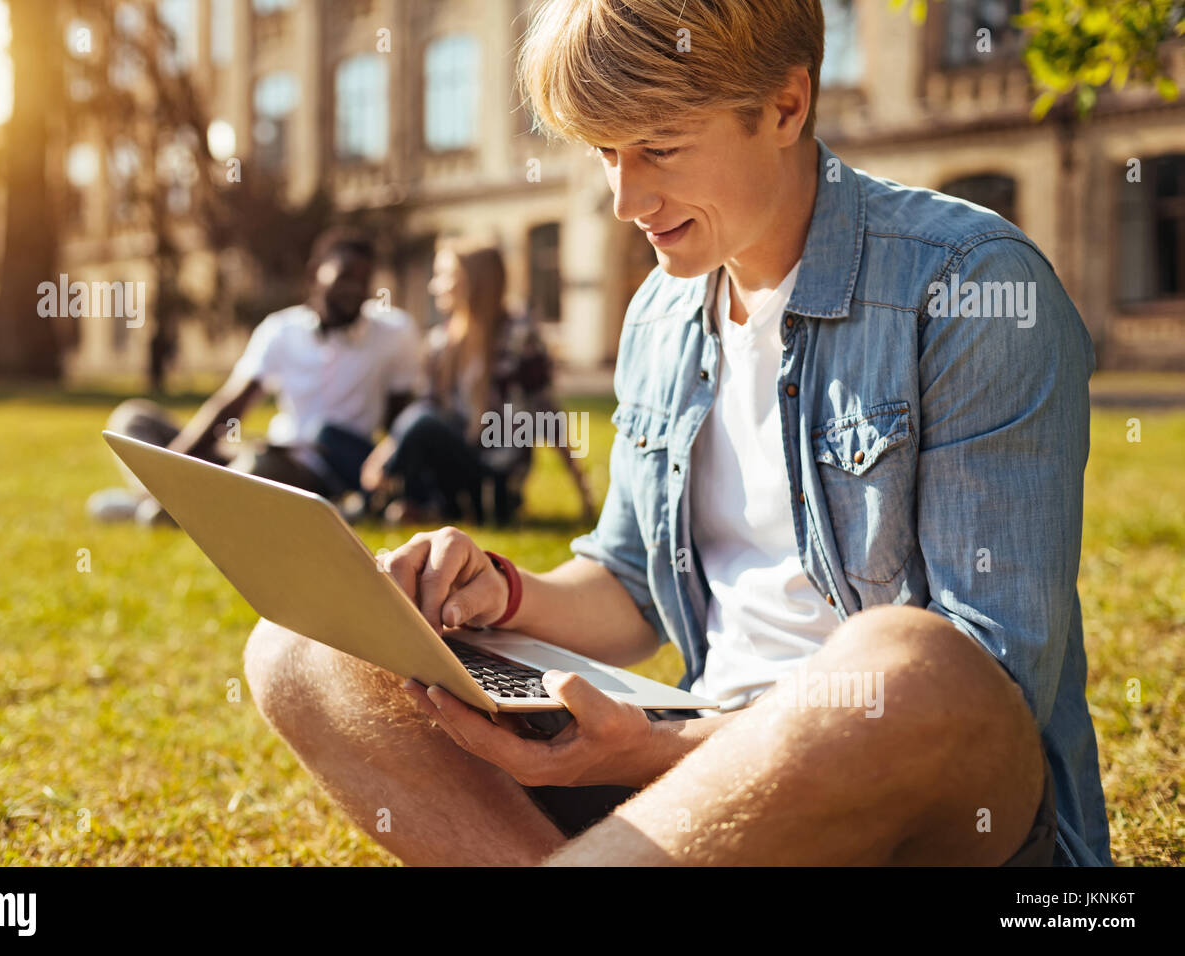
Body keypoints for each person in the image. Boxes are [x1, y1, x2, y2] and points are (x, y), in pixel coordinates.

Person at [241, 0, 1112, 867]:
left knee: (906, 658)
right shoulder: (662, 313)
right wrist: (496, 593)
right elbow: (631, 585)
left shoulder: (970, 287)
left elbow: (991, 683)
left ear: (785, 105)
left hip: (913, 807)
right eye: (605, 154)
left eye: (657, 147)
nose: (625, 199)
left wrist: (661, 752)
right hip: (688, 786)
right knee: (302, 645)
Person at [91, 229, 423, 524]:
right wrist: (169, 466)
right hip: (273, 450)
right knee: (133, 420)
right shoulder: (281, 330)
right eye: (345, 276)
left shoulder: (393, 334)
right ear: (314, 274)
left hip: (322, 471)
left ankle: (157, 509)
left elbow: (401, 422)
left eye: (363, 282)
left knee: (256, 469)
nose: (355, 289)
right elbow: (232, 405)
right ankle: (158, 499)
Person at [360, 240, 595, 525]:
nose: (435, 285)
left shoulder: (518, 338)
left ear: (473, 281)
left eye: (445, 275)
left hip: (493, 479)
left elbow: (547, 413)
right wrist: (380, 456)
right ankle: (412, 502)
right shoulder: (441, 343)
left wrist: (582, 490)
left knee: (424, 421)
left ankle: (375, 503)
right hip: (454, 468)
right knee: (343, 434)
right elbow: (425, 408)